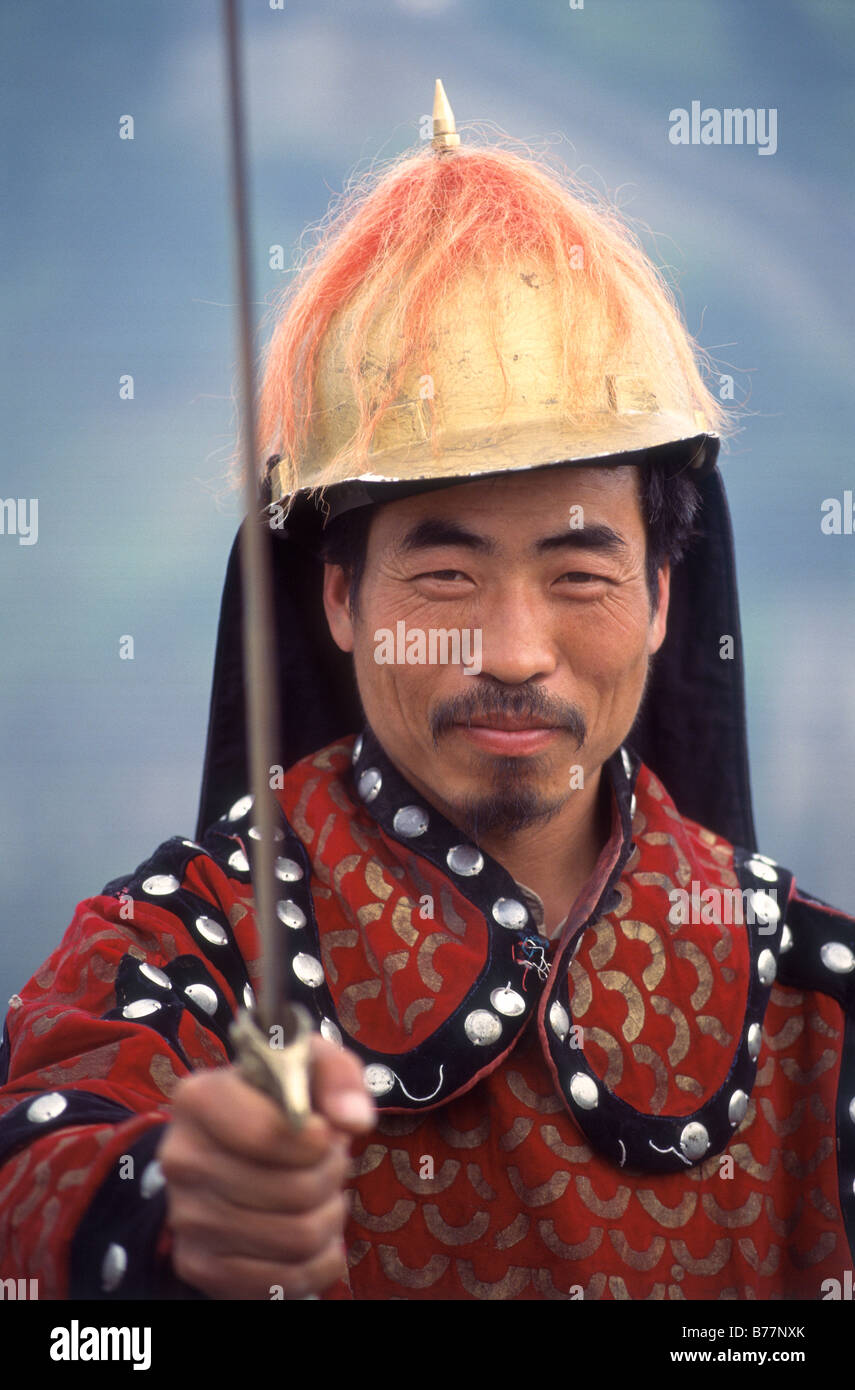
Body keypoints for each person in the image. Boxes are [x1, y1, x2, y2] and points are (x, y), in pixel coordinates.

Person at [1, 85, 854, 1303]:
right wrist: (170, 1208)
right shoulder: (178, 947)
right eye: (446, 573)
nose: (514, 648)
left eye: (579, 570)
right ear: (339, 597)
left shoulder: (818, 999)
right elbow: (48, 1154)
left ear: (665, 596)